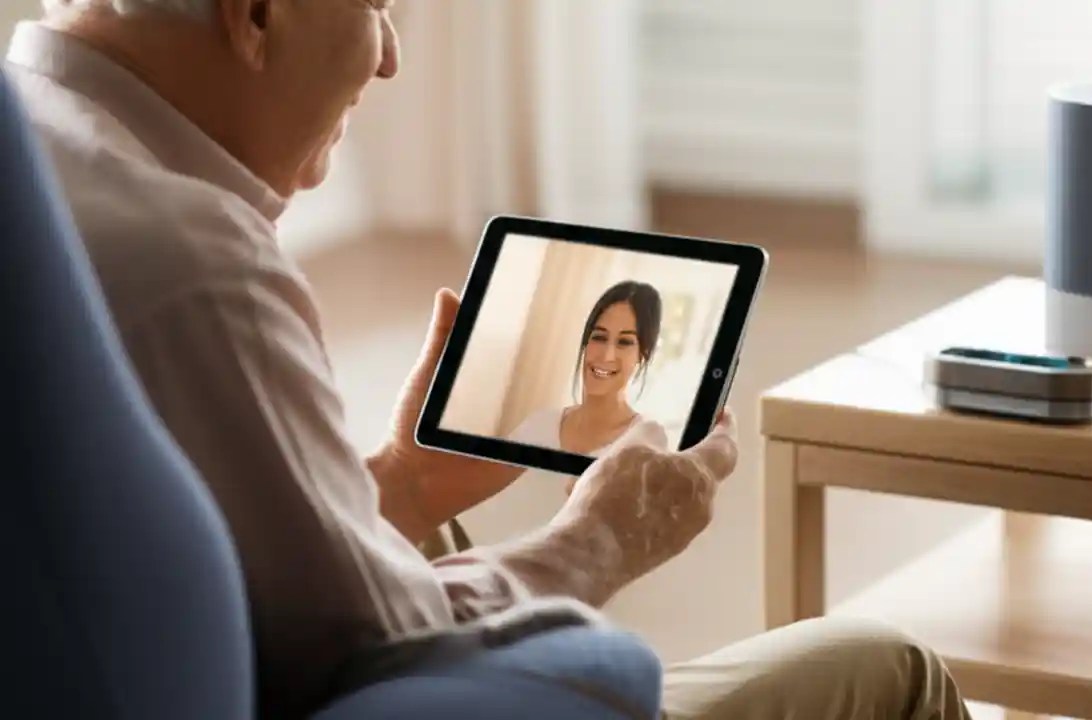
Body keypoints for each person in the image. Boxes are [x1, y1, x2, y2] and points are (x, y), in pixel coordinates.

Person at [5, 2, 973, 719]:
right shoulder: (195, 264)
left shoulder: (38, 149)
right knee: (890, 668)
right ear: (255, 14)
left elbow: (193, 570)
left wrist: (402, 484)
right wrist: (598, 539)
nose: (390, 58)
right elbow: (375, 650)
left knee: (433, 536)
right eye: (376, 6)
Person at [509, 280, 663, 456]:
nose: (607, 356)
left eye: (624, 342)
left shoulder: (645, 442)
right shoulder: (539, 425)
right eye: (599, 337)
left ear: (643, 354)